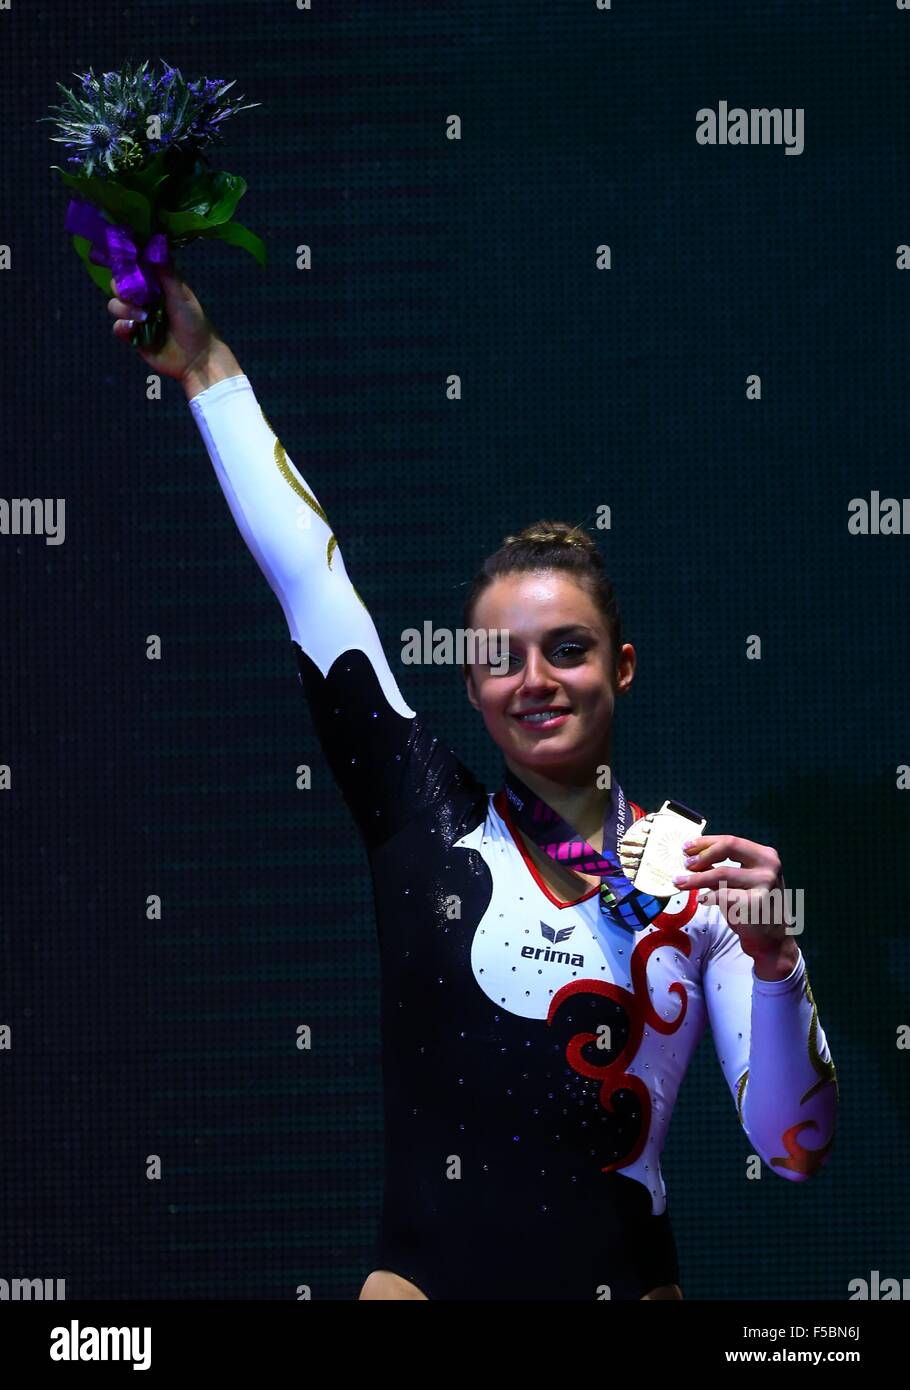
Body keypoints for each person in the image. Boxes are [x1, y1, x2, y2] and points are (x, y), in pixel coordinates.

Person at [108, 265, 838, 1301]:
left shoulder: (698, 880)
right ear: (470, 679)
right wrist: (203, 368)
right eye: (504, 655)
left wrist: (775, 960)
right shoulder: (421, 814)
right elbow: (311, 576)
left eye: (568, 650)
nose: (535, 680)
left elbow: (794, 1149)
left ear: (621, 667)